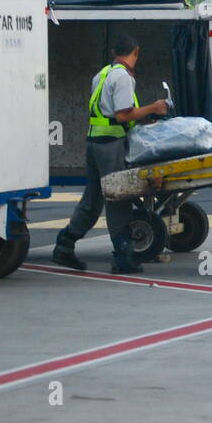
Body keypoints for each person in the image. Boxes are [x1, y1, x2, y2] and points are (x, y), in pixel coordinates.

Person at [52, 33, 168, 274]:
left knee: (92, 200)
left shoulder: (102, 74)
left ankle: (65, 245)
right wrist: (153, 108)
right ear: (135, 52)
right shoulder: (123, 77)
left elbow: (109, 112)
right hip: (111, 145)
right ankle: (123, 256)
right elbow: (122, 115)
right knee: (118, 198)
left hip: (94, 142)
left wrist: (144, 114)